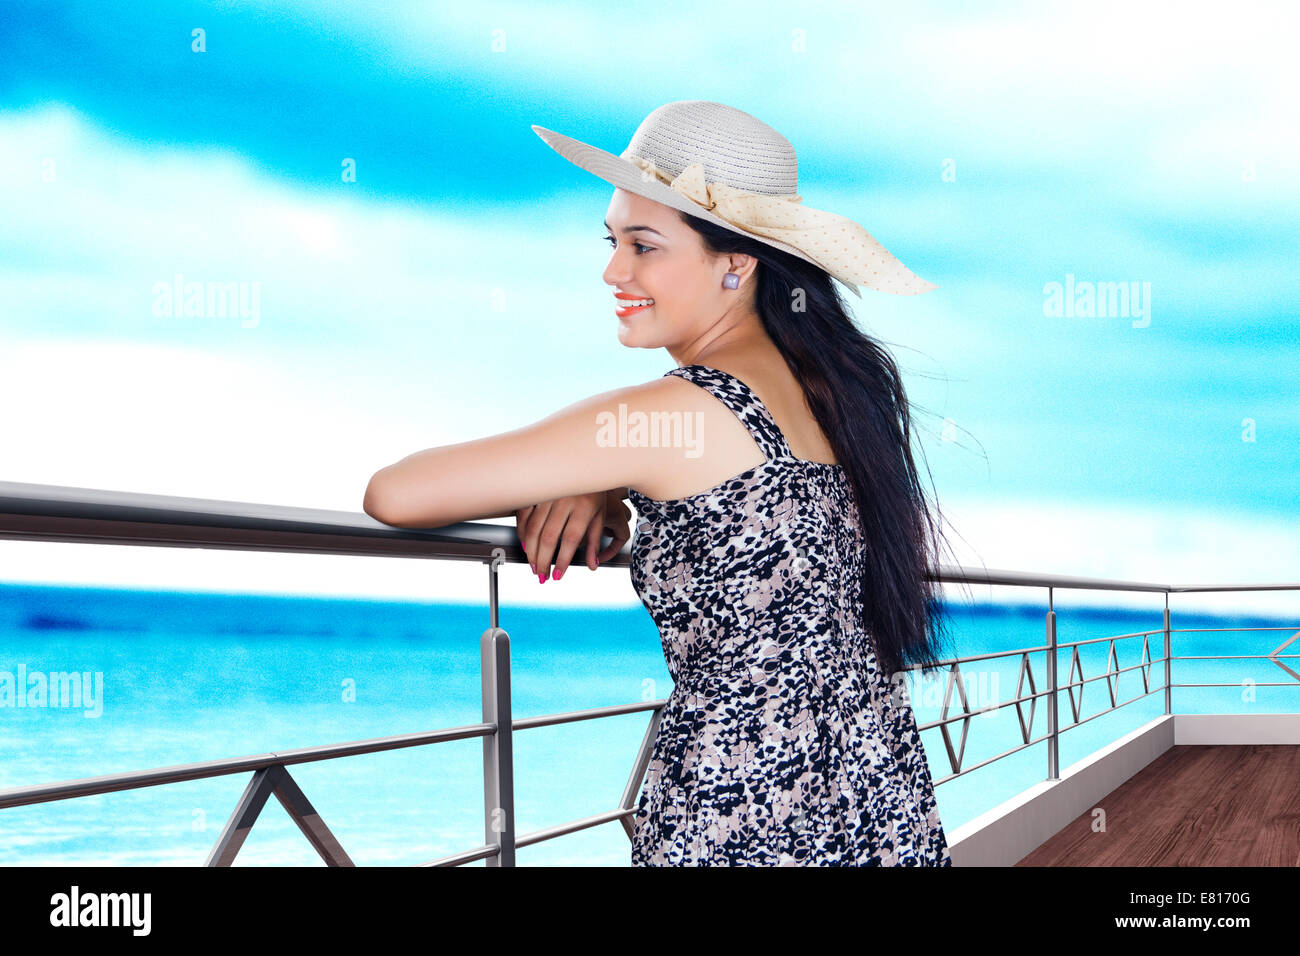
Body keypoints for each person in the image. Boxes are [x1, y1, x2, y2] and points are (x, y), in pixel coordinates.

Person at [364, 100, 960, 865]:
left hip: (743, 800)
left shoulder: (678, 412)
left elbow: (394, 493)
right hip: (873, 777)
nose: (614, 270)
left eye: (644, 246)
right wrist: (612, 482)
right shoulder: (835, 397)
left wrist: (604, 471)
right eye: (613, 241)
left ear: (736, 263)